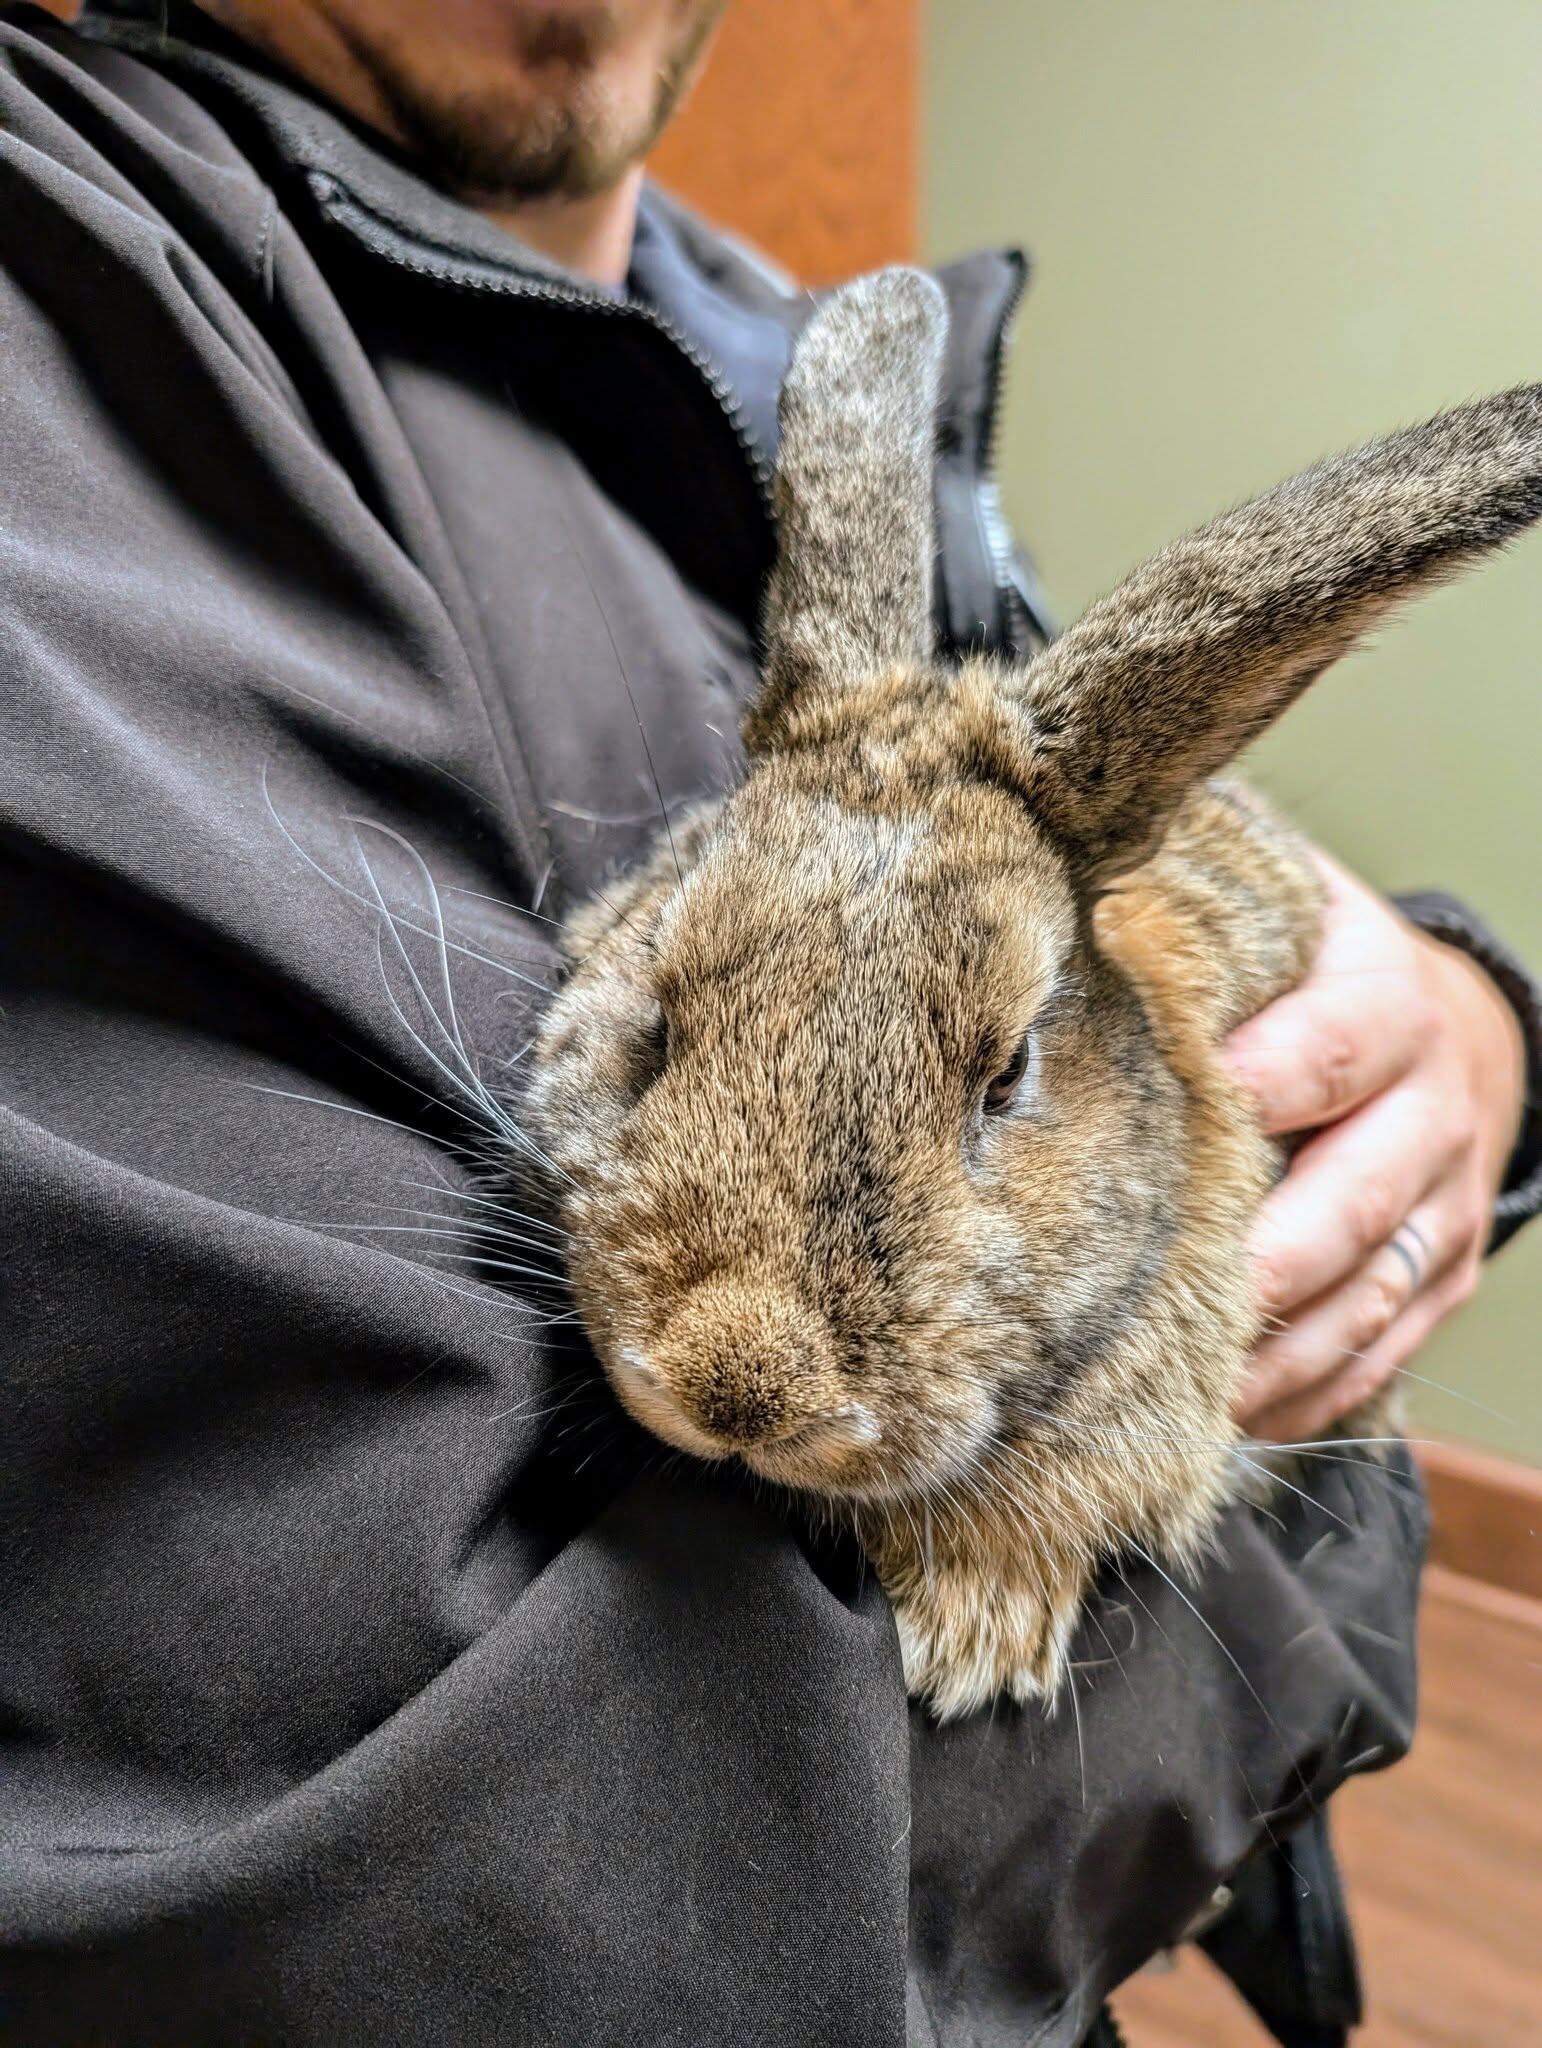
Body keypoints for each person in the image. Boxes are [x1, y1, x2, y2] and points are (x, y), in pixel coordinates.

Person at [0, 3, 1536, 2043]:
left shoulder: (780, 332)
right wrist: (1332, 1524)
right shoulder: (75, 317)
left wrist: (1465, 1025)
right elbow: (486, 1911)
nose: (732, 1364)